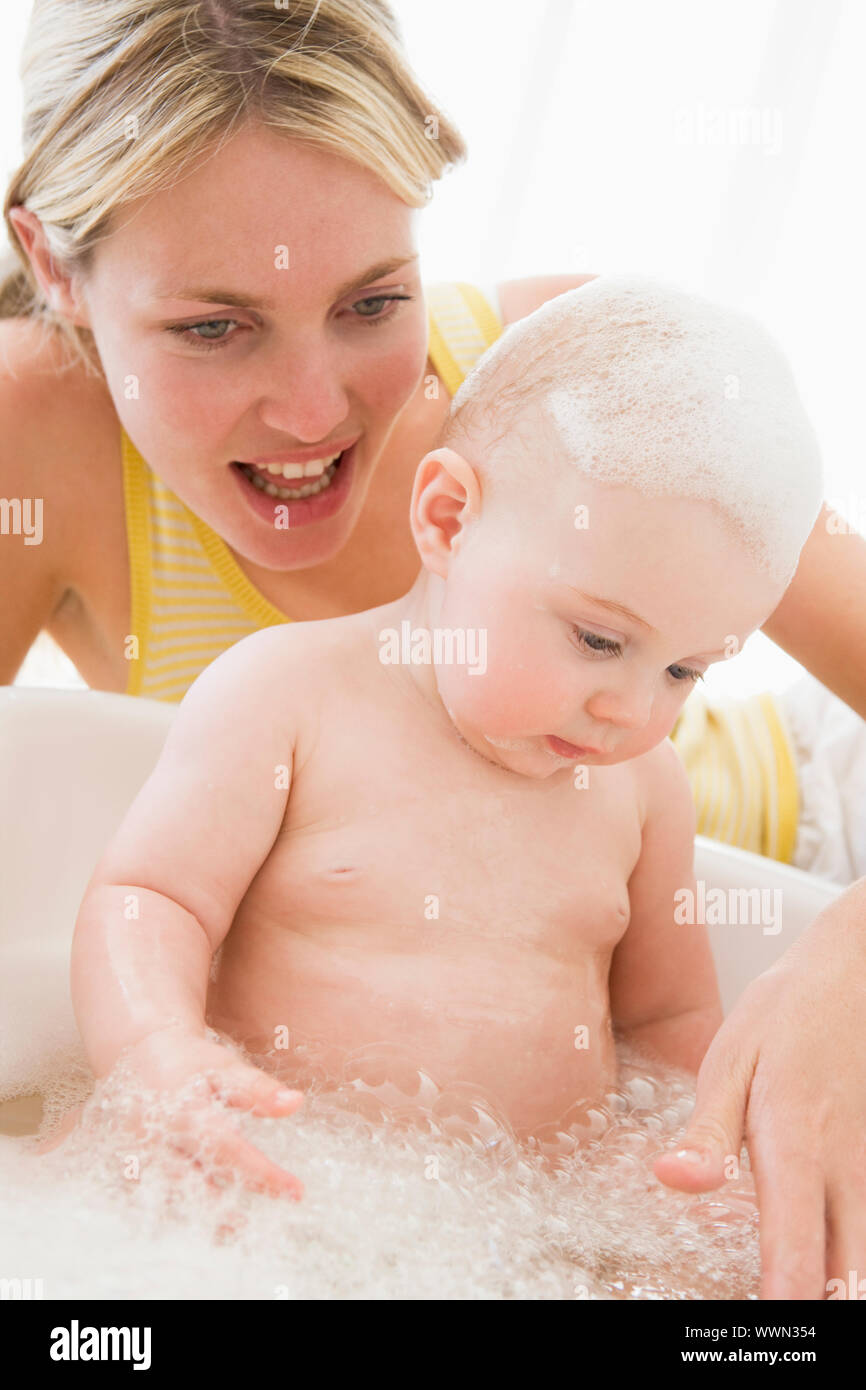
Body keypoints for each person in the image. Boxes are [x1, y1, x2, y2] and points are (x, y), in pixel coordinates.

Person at [2, 0, 865, 1299]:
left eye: (373, 300)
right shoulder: (37, 435)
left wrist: (850, 959)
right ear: (56, 268)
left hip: (813, 857)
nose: (310, 411)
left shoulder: (593, 397)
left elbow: (666, 1019)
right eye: (211, 326)